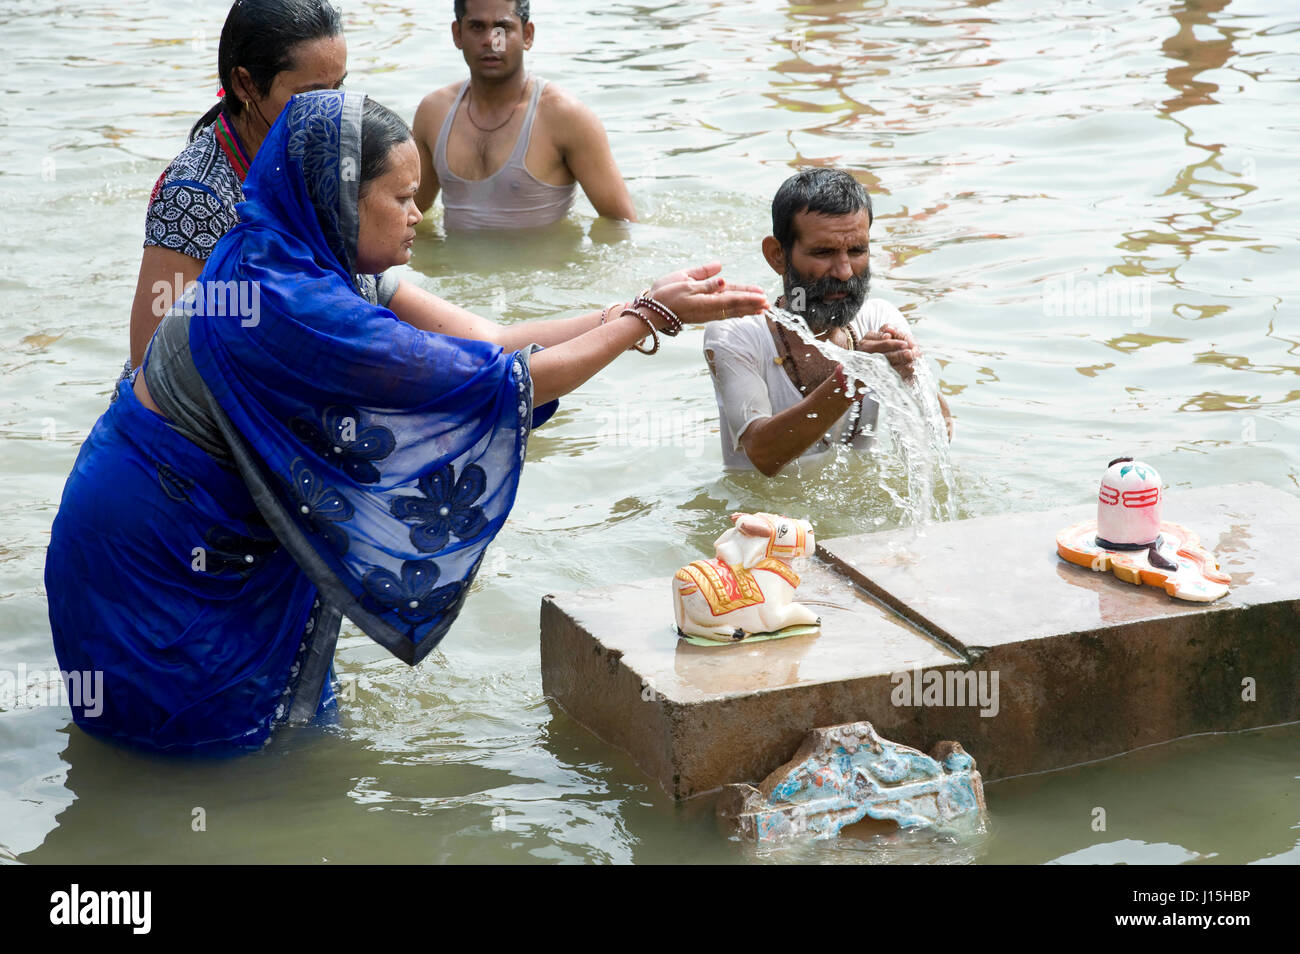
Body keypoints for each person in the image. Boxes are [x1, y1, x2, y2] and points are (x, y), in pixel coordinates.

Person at [46, 90, 765, 755]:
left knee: (270, 755)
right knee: (204, 754)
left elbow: (486, 345)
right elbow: (495, 383)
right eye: (399, 197)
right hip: (157, 556)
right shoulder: (294, 305)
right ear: (340, 202)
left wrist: (633, 305)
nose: (421, 212)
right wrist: (649, 318)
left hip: (177, 528)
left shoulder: (295, 248)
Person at [126, 0, 348, 371]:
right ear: (245, 83)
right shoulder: (193, 196)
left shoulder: (328, 160)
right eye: (311, 95)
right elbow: (152, 363)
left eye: (338, 88)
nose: (332, 111)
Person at [703, 169, 952, 476]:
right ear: (777, 255)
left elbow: (941, 436)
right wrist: (853, 375)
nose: (845, 271)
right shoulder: (736, 333)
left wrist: (911, 378)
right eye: (823, 253)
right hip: (762, 519)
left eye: (858, 250)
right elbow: (763, 454)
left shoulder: (880, 319)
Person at [411, 0, 636, 229]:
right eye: (477, 27)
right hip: (456, 264)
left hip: (544, 264)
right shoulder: (434, 113)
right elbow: (410, 214)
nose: (491, 40)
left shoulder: (564, 117)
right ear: (457, 34)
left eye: (503, 28)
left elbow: (622, 226)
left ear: (527, 35)